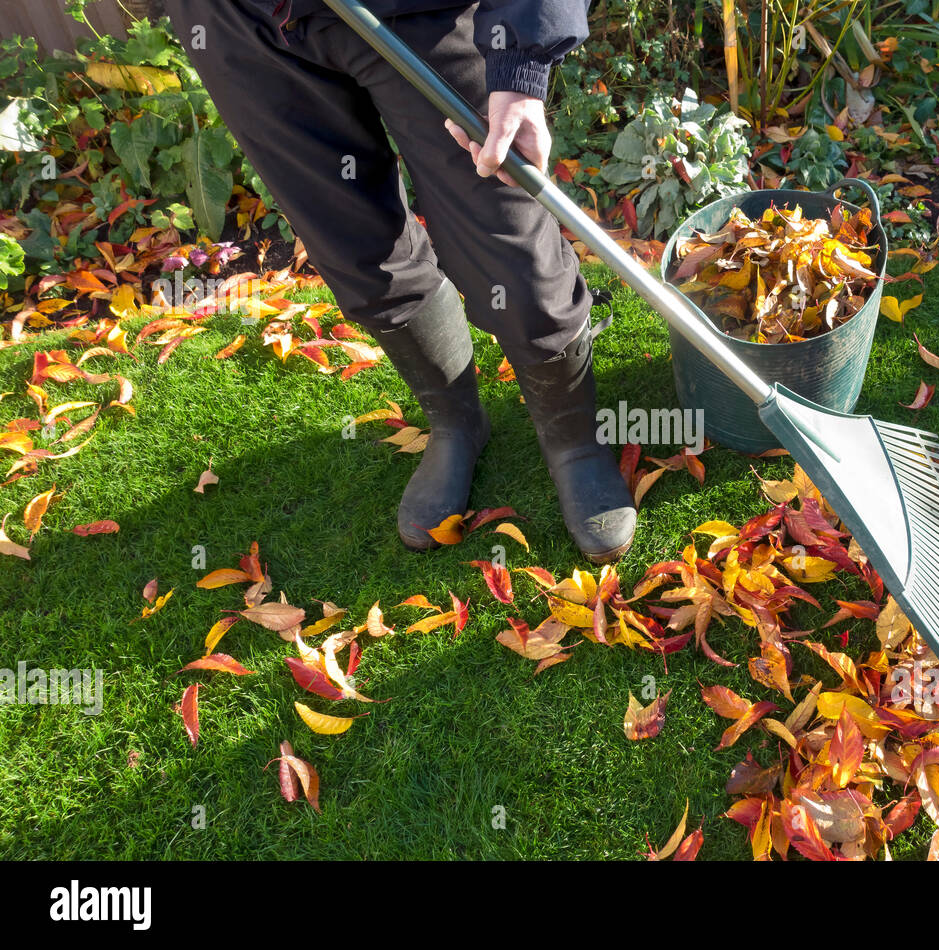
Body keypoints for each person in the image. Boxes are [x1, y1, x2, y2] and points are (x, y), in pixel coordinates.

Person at [163, 0, 637, 562]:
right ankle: (456, 424)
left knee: (508, 238)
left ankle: (573, 440)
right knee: (353, 243)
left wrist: (521, 65)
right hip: (236, 20)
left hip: (415, 11)